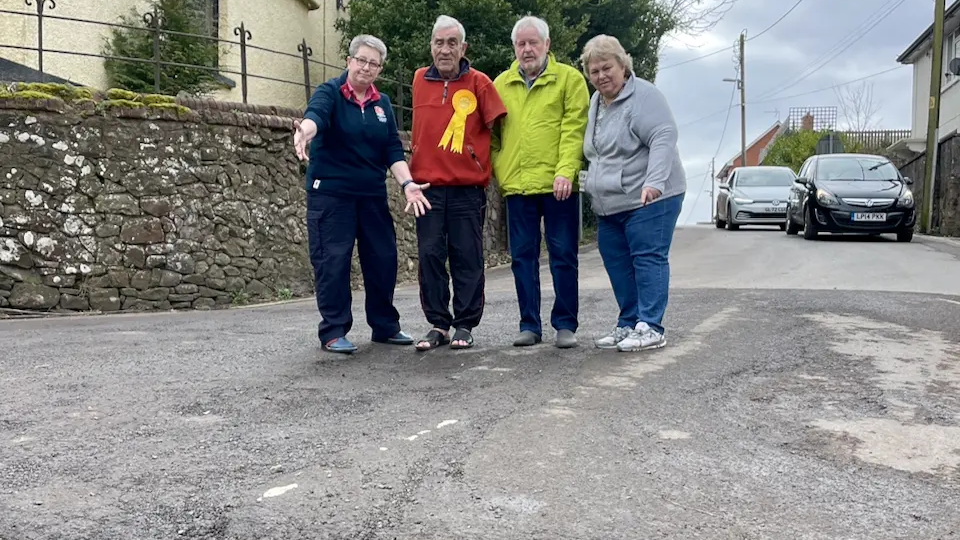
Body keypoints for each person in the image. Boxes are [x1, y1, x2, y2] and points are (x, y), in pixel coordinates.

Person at [293, 34, 432, 354]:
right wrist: (305, 131)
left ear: (379, 69)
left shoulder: (382, 104)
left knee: (383, 259)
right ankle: (333, 331)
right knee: (333, 262)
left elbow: (392, 149)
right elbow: (316, 117)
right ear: (349, 61)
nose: (366, 68)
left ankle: (384, 326)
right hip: (331, 195)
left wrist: (408, 184)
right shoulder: (330, 92)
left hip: (371, 195)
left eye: (374, 64)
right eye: (362, 60)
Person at [579, 34, 686, 352]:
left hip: (651, 198)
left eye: (606, 67)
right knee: (617, 262)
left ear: (623, 65)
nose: (601, 76)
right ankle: (629, 323)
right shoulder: (597, 101)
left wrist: (654, 182)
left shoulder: (644, 96)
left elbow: (664, 135)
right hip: (610, 203)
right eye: (594, 71)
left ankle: (650, 326)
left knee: (648, 258)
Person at [408, 15, 508, 351]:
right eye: (439, 42)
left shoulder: (480, 83)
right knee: (430, 256)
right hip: (426, 188)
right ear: (431, 46)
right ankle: (438, 323)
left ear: (463, 47)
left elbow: (501, 130)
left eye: (452, 43)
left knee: (467, 255)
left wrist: (482, 161)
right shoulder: (419, 79)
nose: (445, 49)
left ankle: (465, 324)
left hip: (467, 187)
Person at [492, 16, 589, 349]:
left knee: (563, 255)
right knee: (522, 258)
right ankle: (529, 324)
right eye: (521, 43)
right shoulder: (500, 84)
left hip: (558, 185)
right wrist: (499, 168)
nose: (527, 49)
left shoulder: (569, 80)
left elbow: (574, 128)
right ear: (514, 48)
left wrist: (566, 169)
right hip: (517, 186)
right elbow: (490, 134)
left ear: (547, 45)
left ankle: (565, 324)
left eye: (533, 42)